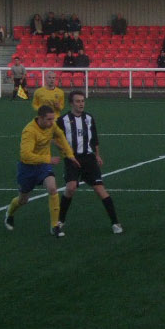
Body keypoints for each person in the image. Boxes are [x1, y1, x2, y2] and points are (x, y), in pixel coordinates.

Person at [4, 105, 78, 236]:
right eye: (49, 120)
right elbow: (25, 155)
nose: (52, 123)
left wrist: (70, 155)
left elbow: (61, 137)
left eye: (53, 119)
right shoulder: (29, 131)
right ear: (40, 118)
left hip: (43, 166)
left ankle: (55, 226)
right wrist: (47, 159)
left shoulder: (51, 126)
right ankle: (9, 212)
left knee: (52, 188)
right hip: (27, 168)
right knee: (23, 200)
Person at [56, 91, 123, 233]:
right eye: (78, 101)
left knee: (100, 190)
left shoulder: (89, 118)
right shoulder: (63, 120)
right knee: (71, 188)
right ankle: (60, 221)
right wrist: (65, 151)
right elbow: (55, 138)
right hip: (72, 158)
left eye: (82, 101)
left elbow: (94, 139)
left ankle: (115, 223)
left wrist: (97, 155)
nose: (81, 104)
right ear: (71, 103)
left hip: (88, 158)